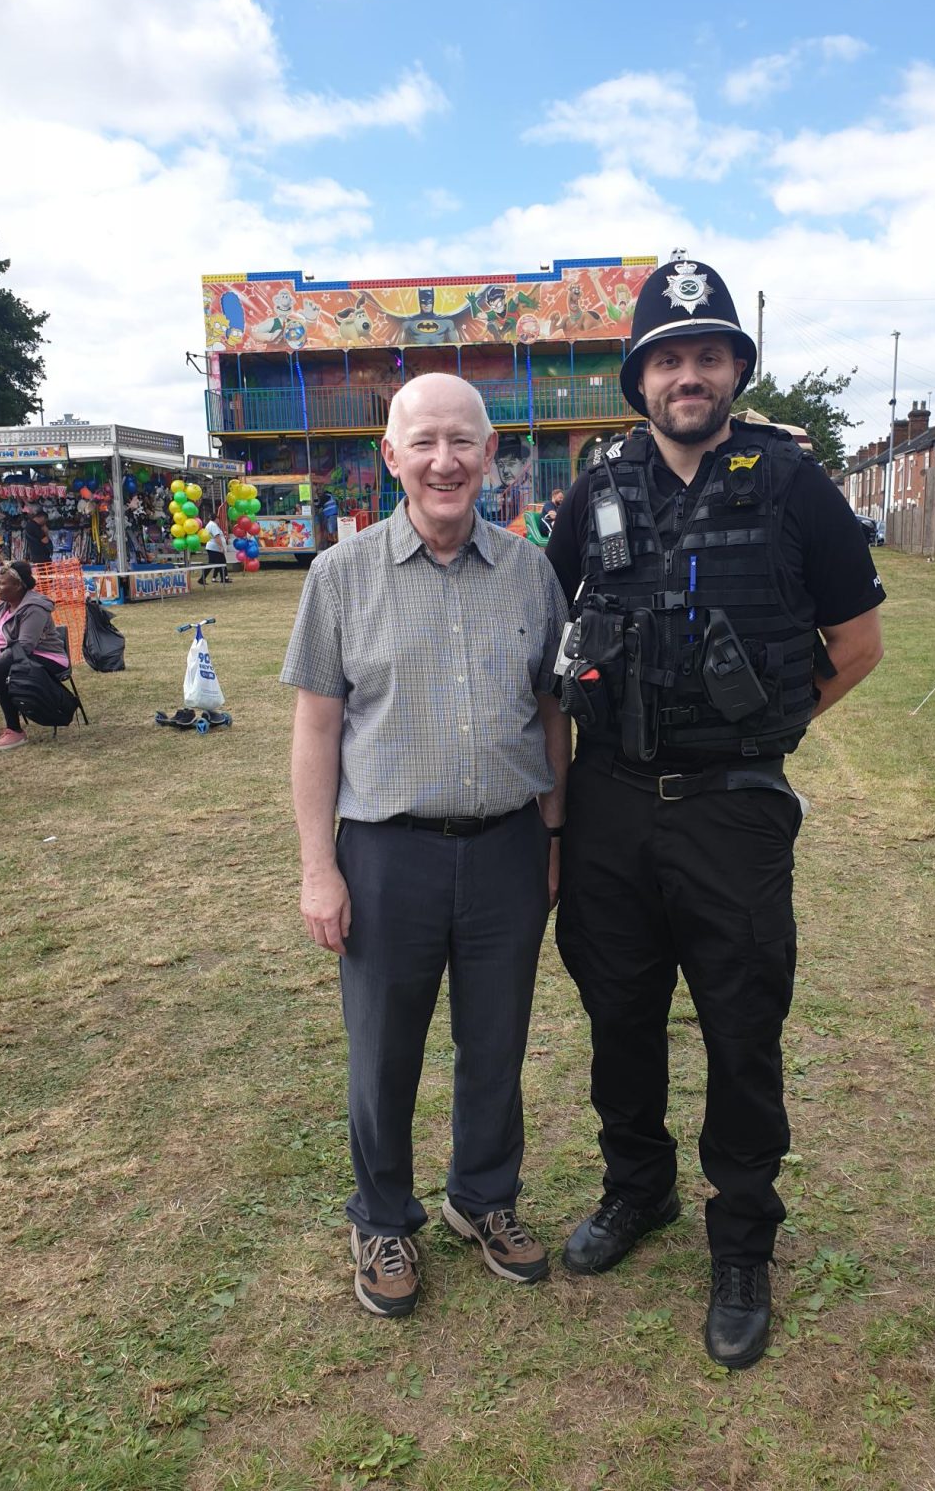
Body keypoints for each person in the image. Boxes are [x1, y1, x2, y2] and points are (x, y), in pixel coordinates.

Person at [545, 256, 885, 1369]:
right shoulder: (592, 491)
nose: (688, 375)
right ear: (641, 378)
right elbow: (553, 644)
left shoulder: (790, 484)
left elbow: (857, 644)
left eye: (708, 354)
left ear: (735, 367)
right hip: (609, 804)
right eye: (667, 358)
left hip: (732, 809)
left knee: (742, 1027)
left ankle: (741, 1242)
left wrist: (766, 729)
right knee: (619, 1010)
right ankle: (634, 1189)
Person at [281, 373, 570, 1319]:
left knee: (496, 1043)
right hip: (385, 853)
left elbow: (551, 711)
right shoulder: (341, 576)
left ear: (492, 457)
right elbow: (316, 731)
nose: (444, 461)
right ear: (391, 456)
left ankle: (482, 1199)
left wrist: (556, 833)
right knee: (383, 1051)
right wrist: (319, 867)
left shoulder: (531, 573)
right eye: (424, 442)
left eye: (464, 441)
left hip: (505, 851)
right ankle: (381, 1215)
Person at [0, 560, 69, 751]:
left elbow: (24, 646)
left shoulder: (34, 607)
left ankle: (15, 730)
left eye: (2, 584)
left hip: (46, 657)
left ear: (18, 586)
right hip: (10, 656)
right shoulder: (1, 607)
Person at [199, 517, 230, 585]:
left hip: (214, 548)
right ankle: (202, 579)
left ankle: (224, 578)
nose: (219, 521)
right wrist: (221, 547)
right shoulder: (213, 525)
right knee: (213, 563)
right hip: (214, 548)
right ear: (216, 519)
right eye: (218, 519)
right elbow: (217, 537)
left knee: (222, 562)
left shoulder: (210, 524)